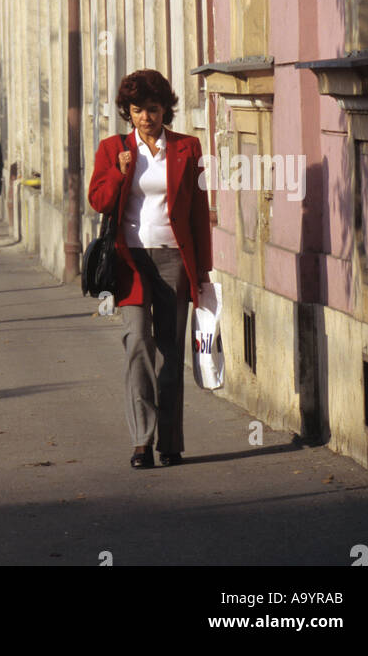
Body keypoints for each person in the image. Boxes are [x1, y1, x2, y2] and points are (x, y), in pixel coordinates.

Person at [88, 69, 212, 470]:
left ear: (165, 110)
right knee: (138, 343)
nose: (145, 117)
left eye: (153, 110)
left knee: (171, 352)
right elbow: (99, 201)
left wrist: (203, 273)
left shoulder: (188, 148)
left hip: (175, 260)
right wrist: (120, 172)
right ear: (128, 112)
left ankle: (170, 442)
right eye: (137, 110)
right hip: (131, 261)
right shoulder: (113, 149)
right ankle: (141, 440)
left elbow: (196, 214)